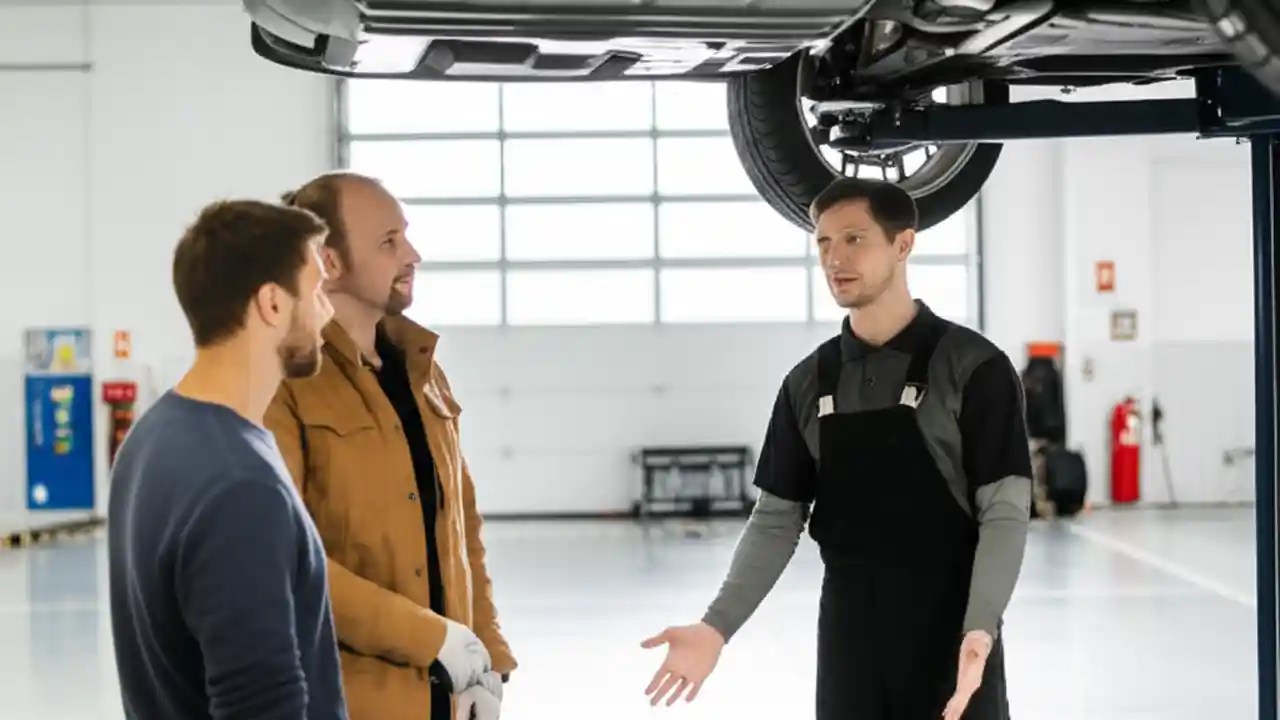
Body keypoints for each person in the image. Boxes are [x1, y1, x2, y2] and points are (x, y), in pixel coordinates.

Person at [641, 178, 1033, 720]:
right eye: (823, 243)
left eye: (854, 239)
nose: (835, 259)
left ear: (903, 245)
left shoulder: (975, 368)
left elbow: (1005, 512)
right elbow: (776, 519)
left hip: (954, 640)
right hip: (851, 642)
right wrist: (716, 626)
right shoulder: (808, 382)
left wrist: (981, 627)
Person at [265, 172, 516, 720]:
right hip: (349, 702)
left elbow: (463, 531)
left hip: (447, 697)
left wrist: (488, 660)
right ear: (328, 263)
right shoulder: (283, 384)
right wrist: (434, 640)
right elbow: (287, 562)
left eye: (405, 236)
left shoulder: (425, 372)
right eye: (389, 242)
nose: (413, 254)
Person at [107, 199, 346, 719]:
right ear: (272, 304)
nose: (327, 311)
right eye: (317, 291)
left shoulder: (151, 439)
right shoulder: (239, 487)